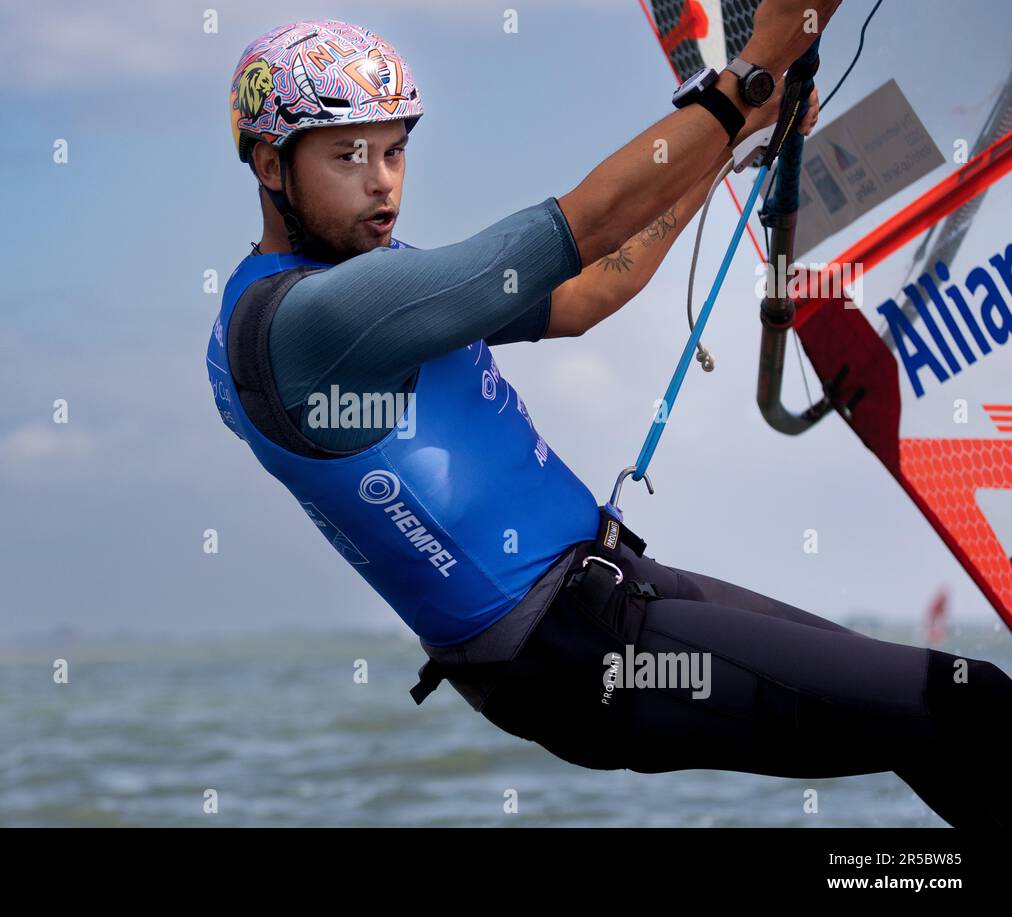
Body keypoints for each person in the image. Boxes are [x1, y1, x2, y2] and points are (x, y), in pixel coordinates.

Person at [205, 3, 1012, 827]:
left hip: (616, 589)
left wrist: (741, 131)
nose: (383, 180)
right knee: (966, 702)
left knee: (939, 718)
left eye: (396, 151)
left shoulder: (374, 283)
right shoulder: (300, 328)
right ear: (271, 165)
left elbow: (599, 284)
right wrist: (752, 72)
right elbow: (584, 225)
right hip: (580, 657)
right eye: (349, 156)